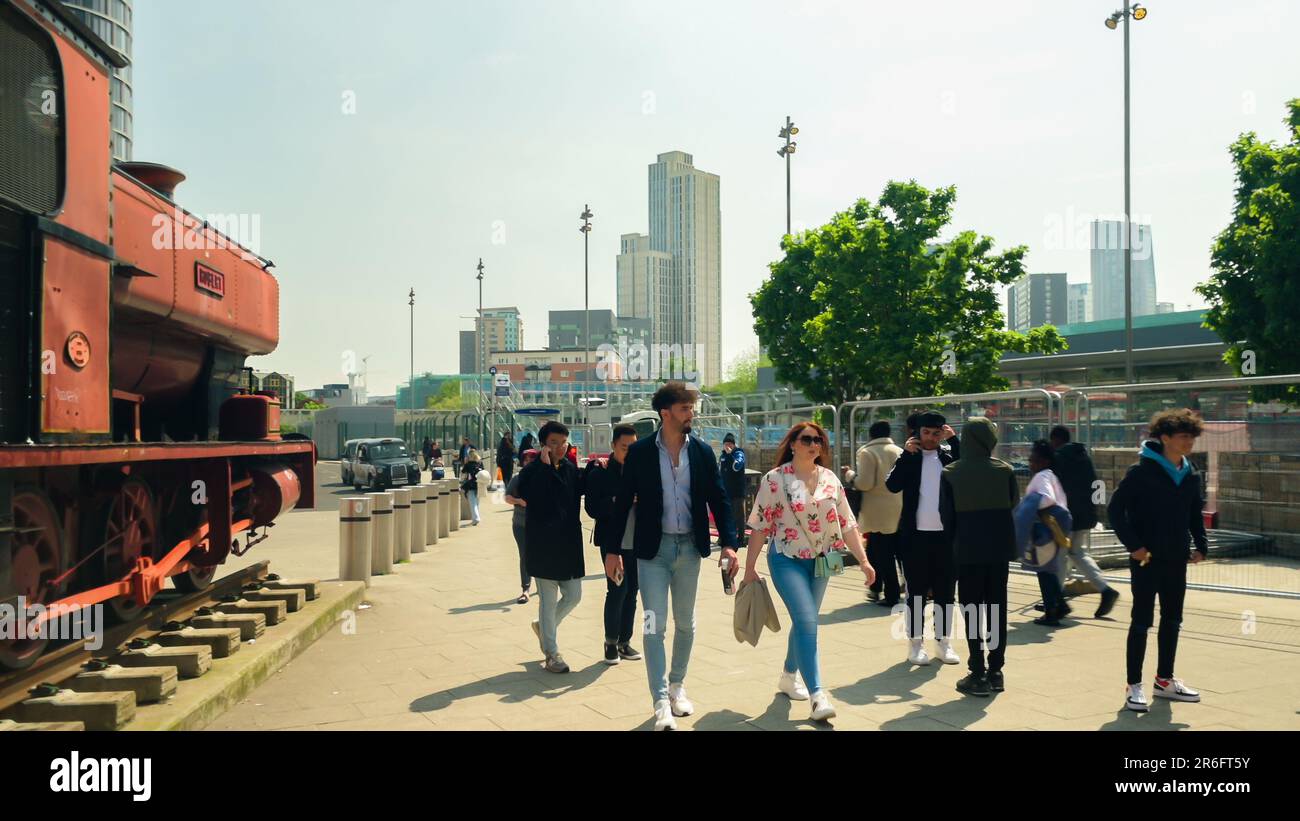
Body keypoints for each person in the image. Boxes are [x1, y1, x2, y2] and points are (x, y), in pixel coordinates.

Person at [608, 381, 738, 731]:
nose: (691, 413)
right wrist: (612, 550)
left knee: (686, 623)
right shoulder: (641, 453)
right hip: (653, 552)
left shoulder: (702, 451)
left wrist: (729, 543)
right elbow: (621, 503)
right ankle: (660, 700)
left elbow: (719, 498)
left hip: (690, 551)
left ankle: (678, 684)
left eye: (691, 407)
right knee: (654, 625)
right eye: (684, 408)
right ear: (665, 413)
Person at [744, 421, 875, 722]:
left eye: (819, 440)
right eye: (807, 439)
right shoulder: (775, 480)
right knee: (806, 620)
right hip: (786, 558)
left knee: (807, 622)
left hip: (823, 560)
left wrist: (864, 561)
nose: (814, 444)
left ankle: (789, 675)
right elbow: (760, 527)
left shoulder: (830, 479)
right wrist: (749, 568)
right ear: (792, 444)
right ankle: (818, 695)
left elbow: (848, 523)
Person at [1108, 409, 1208, 712]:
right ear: (1165, 438)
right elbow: (1115, 511)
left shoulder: (1191, 474)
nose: (1189, 442)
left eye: (1192, 436)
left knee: (1173, 620)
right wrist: (1135, 546)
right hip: (1146, 560)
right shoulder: (1141, 471)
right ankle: (1133, 685)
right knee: (1141, 622)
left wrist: (1201, 546)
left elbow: (1194, 514)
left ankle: (1164, 681)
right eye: (1183, 437)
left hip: (1177, 558)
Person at [940, 417, 1019, 697]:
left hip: (968, 550)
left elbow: (945, 516)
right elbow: (1012, 503)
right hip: (998, 550)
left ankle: (977, 671)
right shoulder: (1005, 470)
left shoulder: (951, 472)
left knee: (972, 608)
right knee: (997, 607)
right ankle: (996, 670)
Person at [885, 410, 962, 666]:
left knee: (946, 592)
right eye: (925, 433)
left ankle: (944, 643)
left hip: (946, 537)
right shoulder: (909, 457)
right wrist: (906, 455)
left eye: (935, 433)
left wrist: (956, 442)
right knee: (916, 592)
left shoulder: (949, 456)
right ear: (917, 433)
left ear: (943, 432)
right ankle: (915, 644)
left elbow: (964, 476)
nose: (930, 438)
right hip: (915, 536)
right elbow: (892, 485)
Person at [518, 421, 586, 674]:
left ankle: (543, 628)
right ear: (544, 445)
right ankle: (552, 654)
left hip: (568, 545)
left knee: (574, 595)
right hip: (543, 545)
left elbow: (584, 488)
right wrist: (545, 469)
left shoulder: (570, 468)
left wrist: (600, 468)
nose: (559, 447)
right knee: (548, 601)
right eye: (553, 443)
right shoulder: (532, 471)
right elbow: (528, 494)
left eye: (563, 442)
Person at [584, 424, 642, 665]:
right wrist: (618, 501)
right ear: (613, 446)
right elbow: (592, 508)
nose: (627, 452)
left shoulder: (640, 471)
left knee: (632, 591)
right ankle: (610, 642)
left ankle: (624, 641)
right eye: (623, 447)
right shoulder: (601, 471)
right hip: (612, 542)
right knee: (617, 590)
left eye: (632, 448)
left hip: (637, 542)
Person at [1050, 426, 1120, 618]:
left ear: (1055, 440)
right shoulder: (1083, 456)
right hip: (1085, 514)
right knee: (1076, 552)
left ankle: (1055, 600)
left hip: (1066, 516)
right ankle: (1105, 589)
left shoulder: (1059, 458)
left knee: (1060, 556)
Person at [845, 420, 905, 607]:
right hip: (898, 507)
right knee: (884, 550)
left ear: (871, 435)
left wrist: (850, 475)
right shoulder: (899, 451)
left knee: (880, 553)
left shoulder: (867, 452)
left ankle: (890, 592)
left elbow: (865, 483)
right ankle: (876, 586)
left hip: (876, 510)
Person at [1016, 440, 1073, 627]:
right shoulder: (1049, 474)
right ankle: (1060, 605)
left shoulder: (1042, 476)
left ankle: (1051, 612)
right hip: (1057, 525)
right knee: (1048, 568)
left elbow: (1047, 498)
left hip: (1048, 527)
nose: (1031, 464)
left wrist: (1031, 506)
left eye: (1034, 460)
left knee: (1043, 570)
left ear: (1044, 461)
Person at [504, 449, 540, 604]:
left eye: (533, 459)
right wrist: (519, 502)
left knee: (540, 554)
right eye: (527, 459)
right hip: (520, 524)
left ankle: (542, 585)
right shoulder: (517, 478)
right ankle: (525, 589)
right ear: (523, 462)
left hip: (540, 524)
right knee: (525, 555)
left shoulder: (543, 478)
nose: (529, 462)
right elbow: (507, 497)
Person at [719, 433, 748, 546]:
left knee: (739, 517)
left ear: (733, 445)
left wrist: (730, 454)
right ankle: (723, 538)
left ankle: (741, 539)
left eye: (729, 444)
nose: (727, 446)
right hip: (725, 491)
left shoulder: (738, 454)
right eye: (725, 444)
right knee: (724, 516)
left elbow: (736, 467)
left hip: (737, 492)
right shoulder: (722, 456)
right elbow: (719, 471)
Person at [461, 450, 484, 526]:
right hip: (479, 484)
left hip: (470, 485)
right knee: (477, 502)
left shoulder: (469, 464)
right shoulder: (480, 463)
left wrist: (465, 462)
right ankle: (475, 518)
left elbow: (463, 471)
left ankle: (476, 518)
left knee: (472, 502)